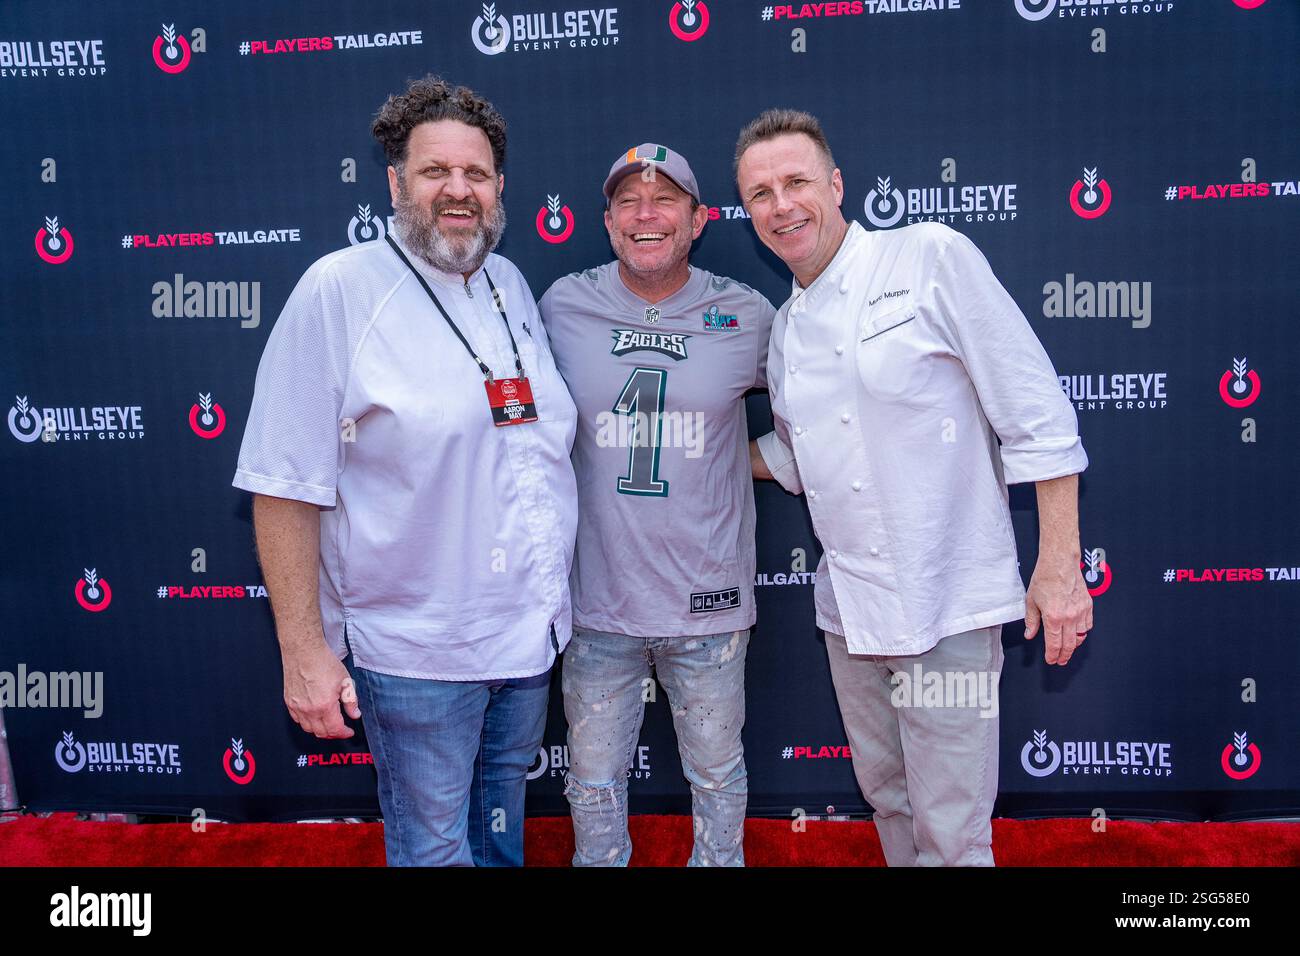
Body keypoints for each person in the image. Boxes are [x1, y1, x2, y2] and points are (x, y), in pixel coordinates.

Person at [231, 75, 578, 867]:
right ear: (395, 183)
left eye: (477, 175)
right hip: (418, 654)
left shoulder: (510, 285)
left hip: (526, 647)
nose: (459, 191)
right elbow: (284, 484)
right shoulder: (340, 289)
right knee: (433, 855)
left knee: (497, 849)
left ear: (499, 188)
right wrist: (305, 651)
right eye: (435, 173)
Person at [735, 109, 1092, 866]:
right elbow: (802, 453)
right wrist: (701, 455)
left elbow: (1037, 415)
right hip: (849, 617)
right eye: (761, 193)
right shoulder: (789, 327)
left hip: (946, 606)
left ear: (836, 185)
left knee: (952, 831)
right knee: (890, 803)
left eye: (797, 181)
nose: (782, 205)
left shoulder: (928, 255)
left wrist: (1060, 567)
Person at [539, 144, 775, 866]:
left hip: (709, 604)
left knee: (716, 773)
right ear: (608, 222)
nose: (648, 214)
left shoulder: (746, 313)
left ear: (698, 220)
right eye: (630, 202)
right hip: (598, 605)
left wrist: (744, 461)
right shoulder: (561, 305)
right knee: (593, 782)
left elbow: (827, 413)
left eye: (666, 199)